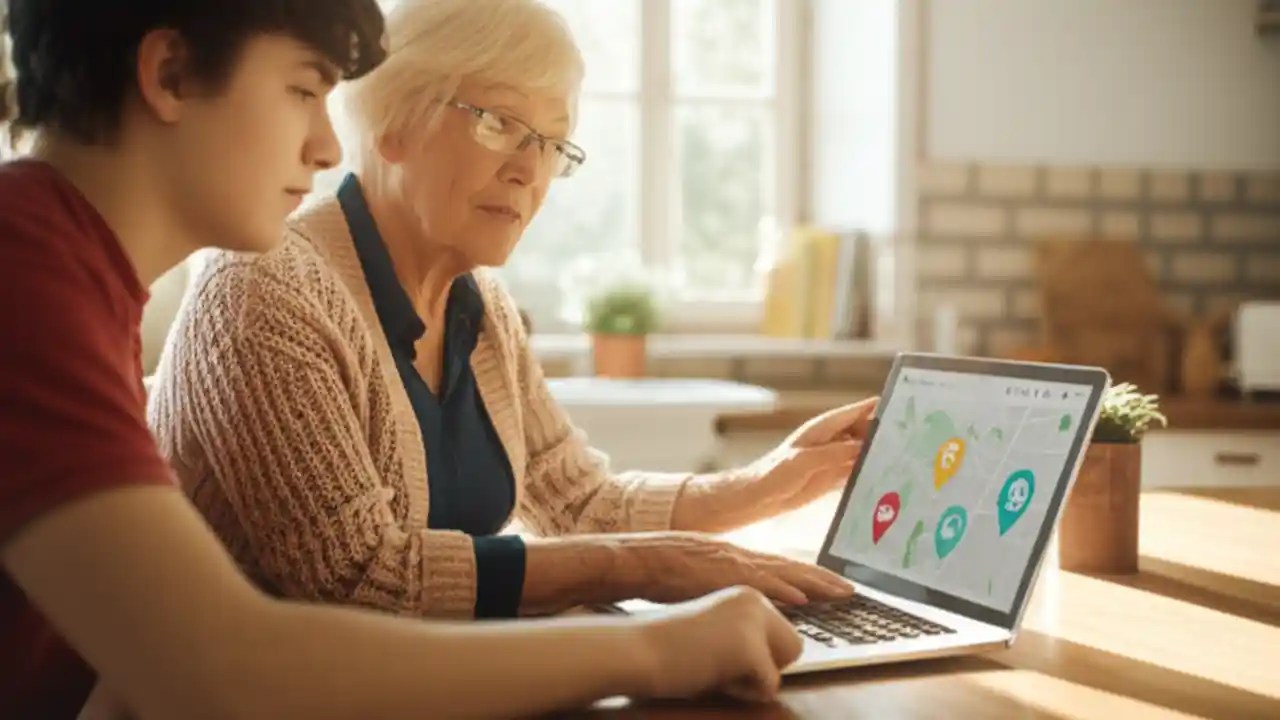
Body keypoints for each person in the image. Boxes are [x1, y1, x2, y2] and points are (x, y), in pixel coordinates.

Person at [0, 1, 806, 718]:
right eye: (304, 90)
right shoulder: (27, 275)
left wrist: (753, 496)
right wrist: (657, 647)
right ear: (171, 74)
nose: (324, 145)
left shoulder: (71, 273)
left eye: (552, 145)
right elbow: (224, 667)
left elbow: (150, 662)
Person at [148, 0, 879, 622]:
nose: (529, 170)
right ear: (392, 122)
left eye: (551, 142)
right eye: (498, 122)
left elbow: (580, 504)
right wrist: (642, 568)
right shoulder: (261, 285)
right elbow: (360, 578)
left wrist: (768, 483)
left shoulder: (482, 307)